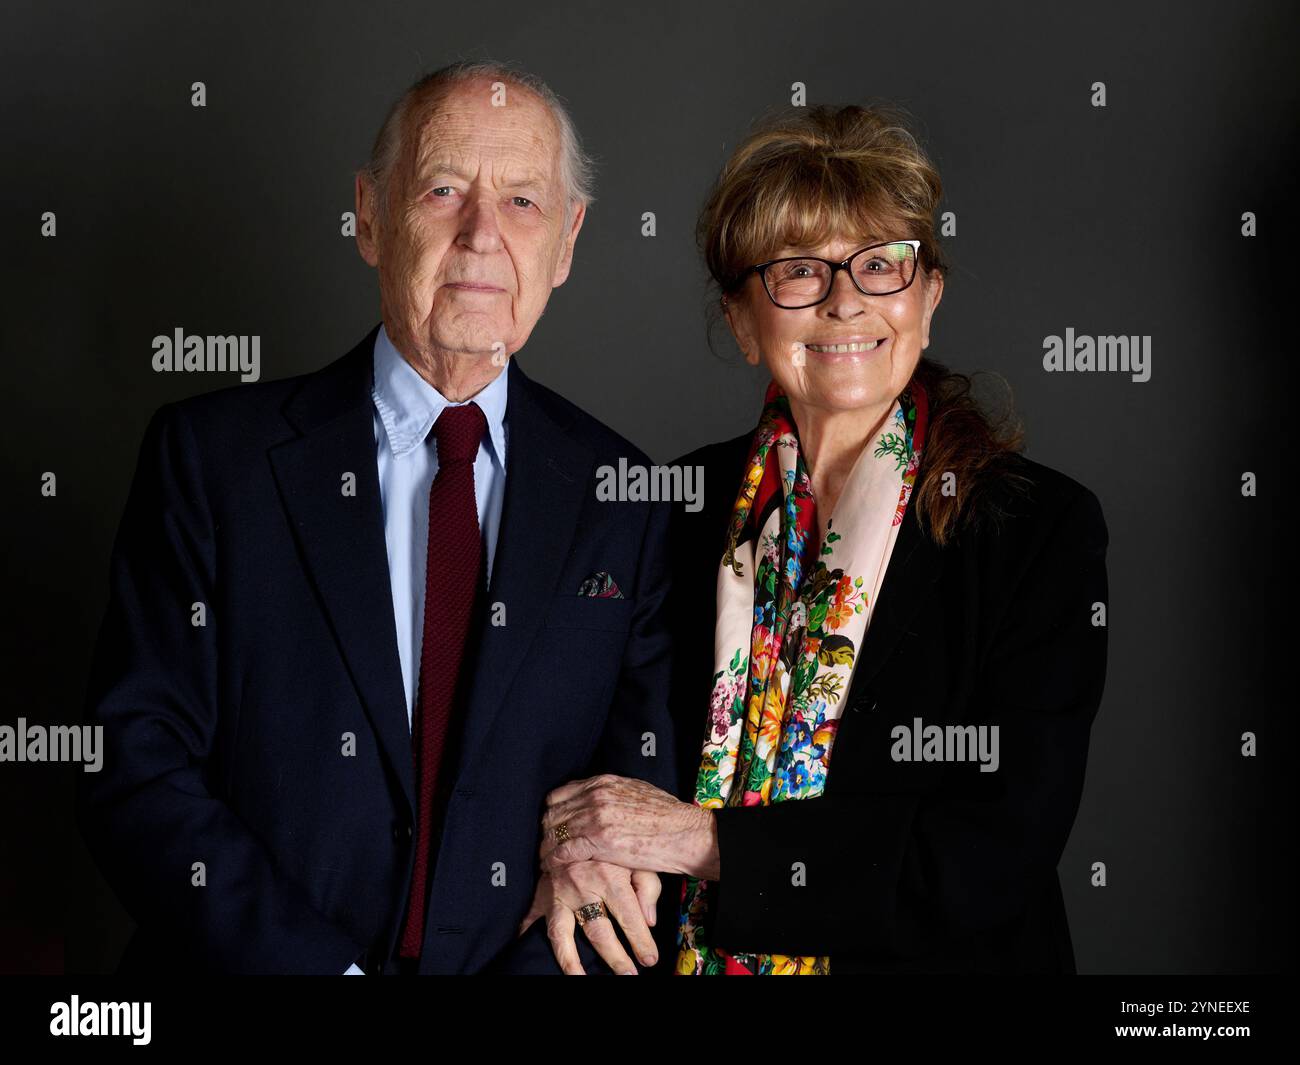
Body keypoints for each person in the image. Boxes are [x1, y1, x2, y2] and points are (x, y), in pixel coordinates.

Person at [75, 60, 675, 975]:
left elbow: (632, 814)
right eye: (443, 189)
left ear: (568, 241)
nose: (482, 234)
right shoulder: (212, 462)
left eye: (522, 201)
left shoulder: (624, 499)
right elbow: (132, 767)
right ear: (369, 214)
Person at [527, 103, 1109, 974]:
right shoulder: (670, 508)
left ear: (929, 295)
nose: (846, 303)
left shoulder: (1035, 529)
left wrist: (707, 842)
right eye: (799, 272)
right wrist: (576, 841)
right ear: (740, 317)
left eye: (881, 265)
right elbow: (588, 754)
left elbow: (993, 853)